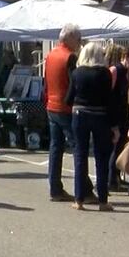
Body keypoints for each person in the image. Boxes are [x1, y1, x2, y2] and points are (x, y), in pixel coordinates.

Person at [43, 24, 92, 202]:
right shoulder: (69, 57)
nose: (79, 43)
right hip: (65, 107)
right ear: (69, 38)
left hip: (52, 105)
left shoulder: (51, 55)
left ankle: (55, 188)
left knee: (55, 148)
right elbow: (74, 84)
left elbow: (46, 81)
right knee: (78, 148)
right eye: (78, 39)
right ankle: (85, 190)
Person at [64, 42, 115, 212]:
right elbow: (109, 99)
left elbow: (69, 97)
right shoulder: (105, 74)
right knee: (101, 157)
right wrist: (114, 125)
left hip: (80, 114)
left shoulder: (77, 73)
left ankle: (79, 199)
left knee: (80, 155)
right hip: (100, 115)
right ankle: (102, 200)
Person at [107, 44, 129, 192]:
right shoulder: (116, 70)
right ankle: (111, 180)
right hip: (114, 114)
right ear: (126, 57)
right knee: (115, 147)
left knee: (121, 147)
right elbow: (109, 94)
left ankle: (117, 177)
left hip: (124, 113)